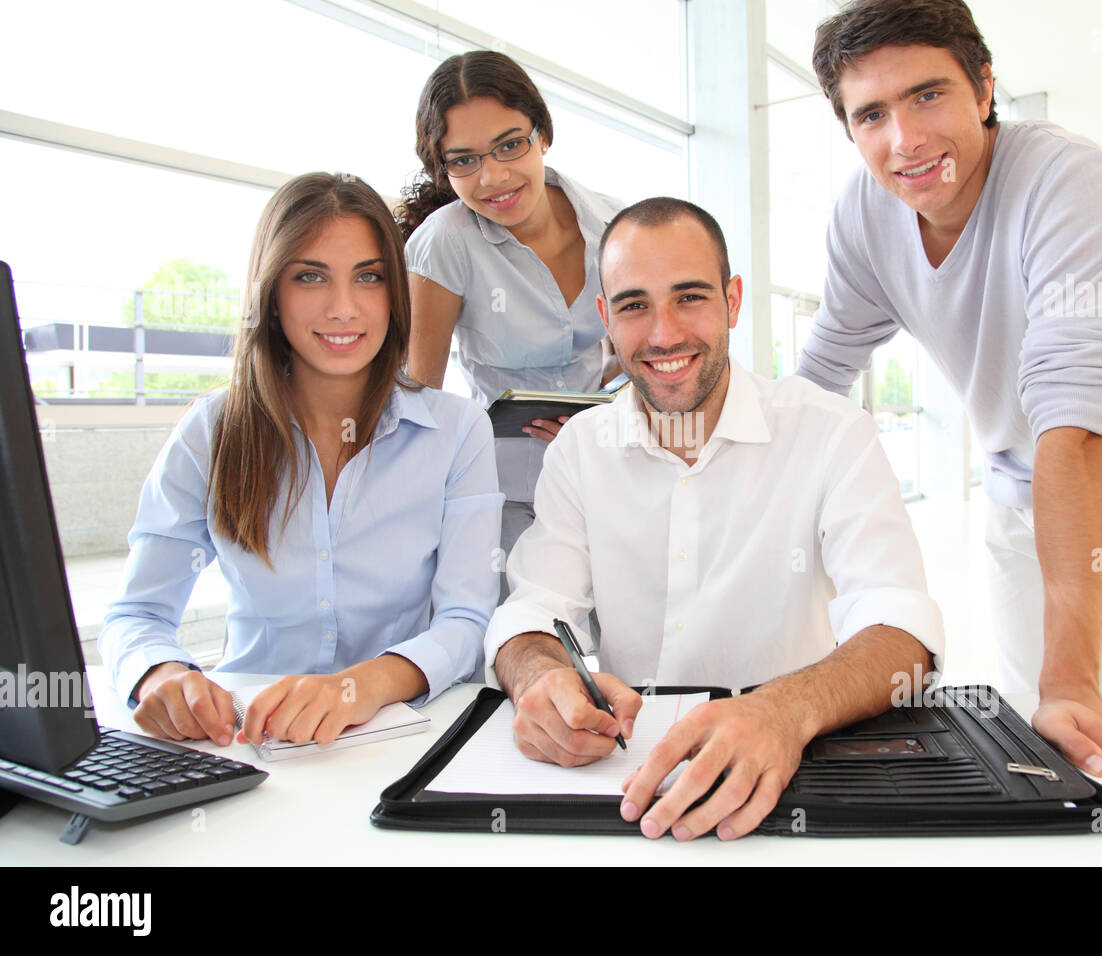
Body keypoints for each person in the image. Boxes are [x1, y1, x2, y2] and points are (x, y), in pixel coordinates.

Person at [795, 0, 1102, 797]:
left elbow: (1077, 427)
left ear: (983, 88)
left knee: (1094, 745)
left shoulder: (1068, 181)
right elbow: (818, 379)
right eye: (870, 113)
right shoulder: (866, 215)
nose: (904, 139)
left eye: (927, 95)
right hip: (1018, 483)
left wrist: (1073, 680)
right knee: (1026, 730)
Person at [485, 198, 943, 841]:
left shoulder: (831, 433)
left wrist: (783, 710)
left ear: (732, 301)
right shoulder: (580, 449)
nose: (664, 334)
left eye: (689, 297)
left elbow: (899, 627)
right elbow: (534, 611)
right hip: (624, 788)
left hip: (794, 783)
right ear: (606, 321)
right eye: (634, 305)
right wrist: (540, 676)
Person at [99, 172, 502, 749]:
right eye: (311, 277)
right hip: (245, 742)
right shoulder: (211, 432)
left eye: (369, 277)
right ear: (272, 292)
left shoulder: (457, 431)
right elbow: (136, 615)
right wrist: (161, 674)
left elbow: (467, 622)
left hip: (402, 739)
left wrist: (360, 685)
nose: (343, 308)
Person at [397, 51, 623, 596]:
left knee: (623, 651)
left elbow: (636, 357)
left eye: (509, 144)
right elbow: (417, 394)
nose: (492, 177)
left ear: (542, 133)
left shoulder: (615, 224)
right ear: (442, 167)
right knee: (521, 649)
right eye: (464, 160)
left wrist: (601, 408)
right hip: (503, 491)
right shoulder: (444, 242)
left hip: (608, 471)